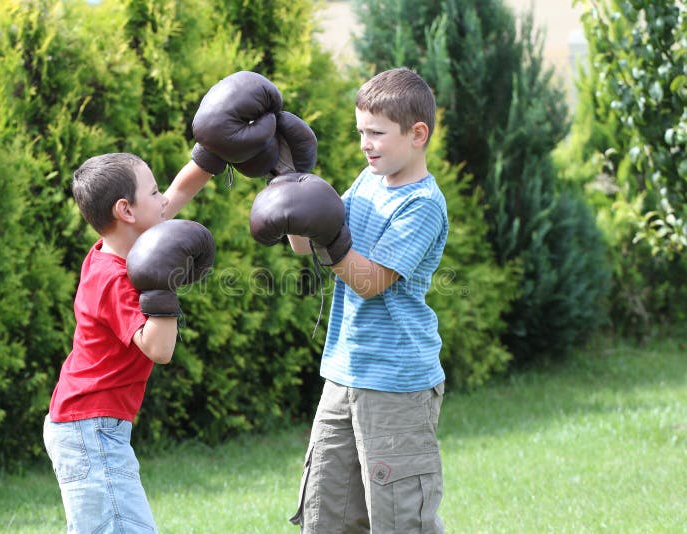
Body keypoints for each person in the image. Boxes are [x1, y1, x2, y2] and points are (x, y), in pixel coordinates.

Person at [249, 67, 448, 532]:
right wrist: (288, 184)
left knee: (399, 520)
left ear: (417, 134)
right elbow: (309, 244)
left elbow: (370, 280)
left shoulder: (421, 203)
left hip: (396, 382)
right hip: (344, 372)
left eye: (376, 133)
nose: (365, 143)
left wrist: (327, 230)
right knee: (325, 514)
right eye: (361, 132)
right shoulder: (367, 181)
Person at [43, 152, 218, 533]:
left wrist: (212, 154)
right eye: (153, 192)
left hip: (87, 424)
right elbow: (160, 349)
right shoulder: (114, 279)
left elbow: (174, 196)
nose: (163, 201)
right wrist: (165, 286)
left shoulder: (120, 248)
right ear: (125, 210)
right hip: (90, 429)